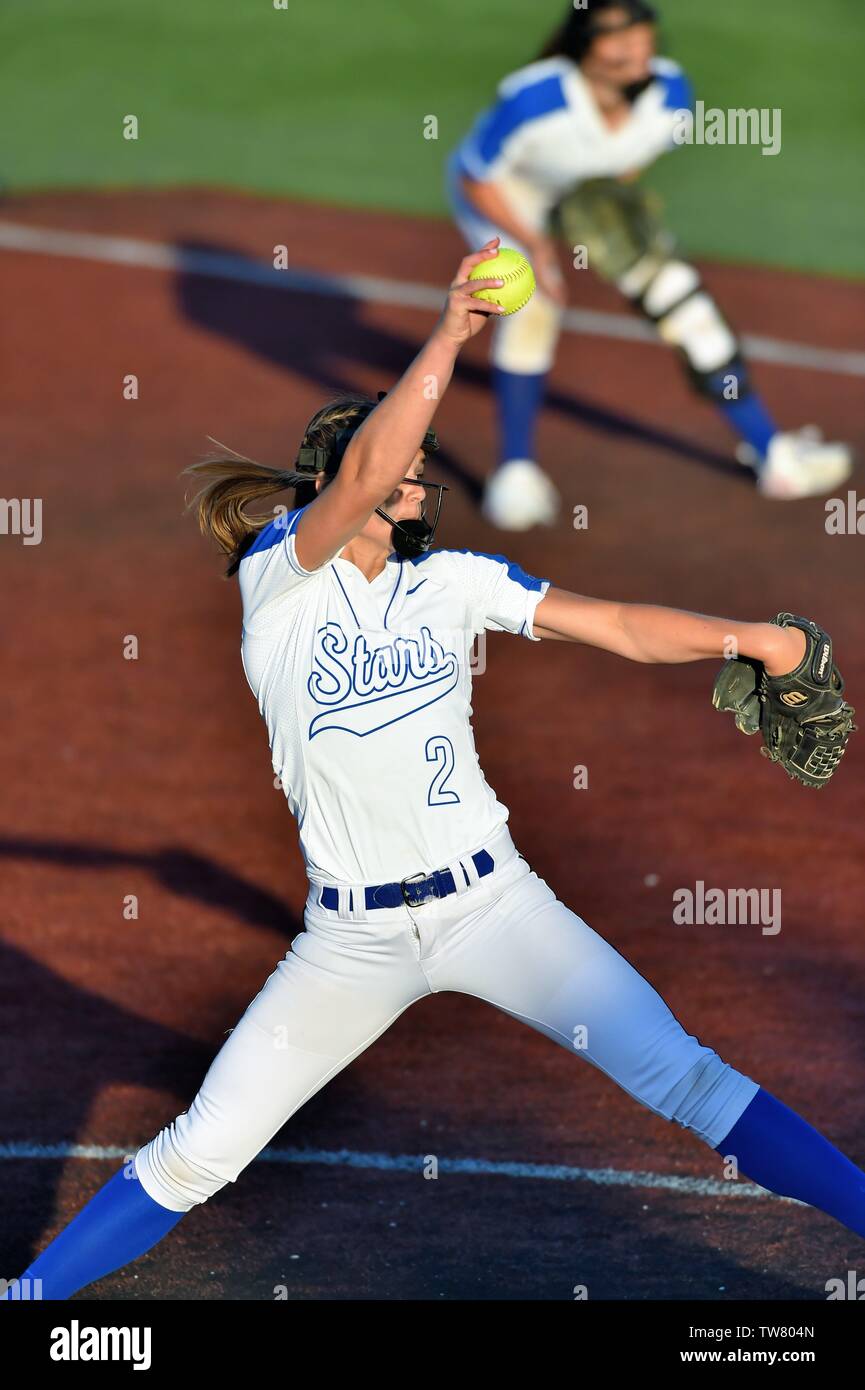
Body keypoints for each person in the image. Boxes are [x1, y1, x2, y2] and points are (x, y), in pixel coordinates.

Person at [4, 241, 863, 1302]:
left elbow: (618, 625)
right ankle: (28, 1304)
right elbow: (366, 466)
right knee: (199, 1152)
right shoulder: (279, 579)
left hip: (495, 904)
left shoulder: (453, 583)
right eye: (386, 462)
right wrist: (453, 327)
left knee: (688, 1076)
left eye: (412, 470)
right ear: (326, 484)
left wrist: (754, 640)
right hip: (351, 940)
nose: (405, 476)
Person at [446, 0, 854, 528]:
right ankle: (514, 476)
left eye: (641, 35)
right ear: (583, 48)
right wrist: (539, 247)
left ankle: (773, 455)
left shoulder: (670, 94)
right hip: (507, 196)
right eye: (616, 38)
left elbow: (629, 162)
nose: (635, 49)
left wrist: (606, 208)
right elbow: (476, 175)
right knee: (533, 309)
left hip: (588, 199)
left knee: (684, 304)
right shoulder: (534, 99)